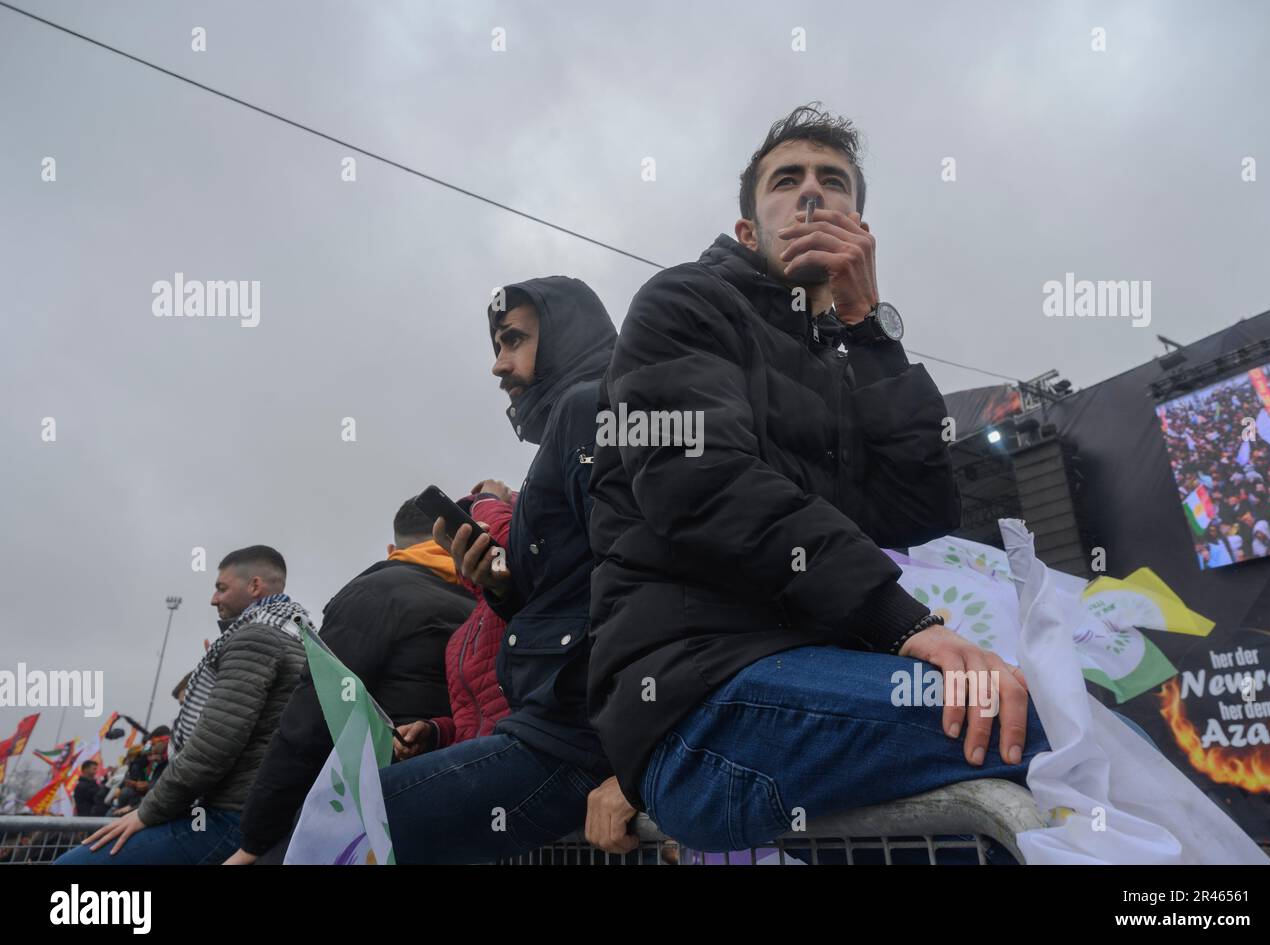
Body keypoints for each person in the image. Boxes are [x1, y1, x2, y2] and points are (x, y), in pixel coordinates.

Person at [585, 103, 1052, 853]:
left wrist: (869, 326)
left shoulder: (847, 361)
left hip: (817, 676)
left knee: (1055, 736)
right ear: (748, 231)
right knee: (1052, 729)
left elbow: (921, 505)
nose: (811, 195)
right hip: (702, 694)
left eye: (832, 183)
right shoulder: (682, 302)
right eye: (786, 181)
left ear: (861, 232)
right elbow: (698, 485)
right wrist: (905, 623)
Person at [377, 276, 618, 863]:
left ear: (566, 337)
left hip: (576, 748)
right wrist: (501, 588)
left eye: (513, 341)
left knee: (353, 814)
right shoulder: (562, 439)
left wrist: (636, 768)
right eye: (495, 347)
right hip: (551, 735)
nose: (499, 366)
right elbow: (568, 596)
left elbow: (641, 586)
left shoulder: (597, 414)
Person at [227, 500, 476, 863]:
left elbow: (309, 723)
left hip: (366, 814)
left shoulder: (377, 591)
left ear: (394, 551)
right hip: (454, 812)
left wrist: (254, 839)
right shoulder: (482, 605)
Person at [56, 546, 310, 865]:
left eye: (221, 588)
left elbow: (212, 748)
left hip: (229, 817)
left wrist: (147, 812)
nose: (213, 599)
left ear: (255, 586)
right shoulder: (296, 636)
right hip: (259, 812)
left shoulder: (256, 637)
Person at [389, 485, 514, 762]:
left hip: (512, 754)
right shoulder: (463, 633)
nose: (467, 538)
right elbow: (471, 720)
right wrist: (434, 733)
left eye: (482, 524)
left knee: (372, 797)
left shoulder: (527, 601)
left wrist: (486, 499)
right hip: (473, 758)